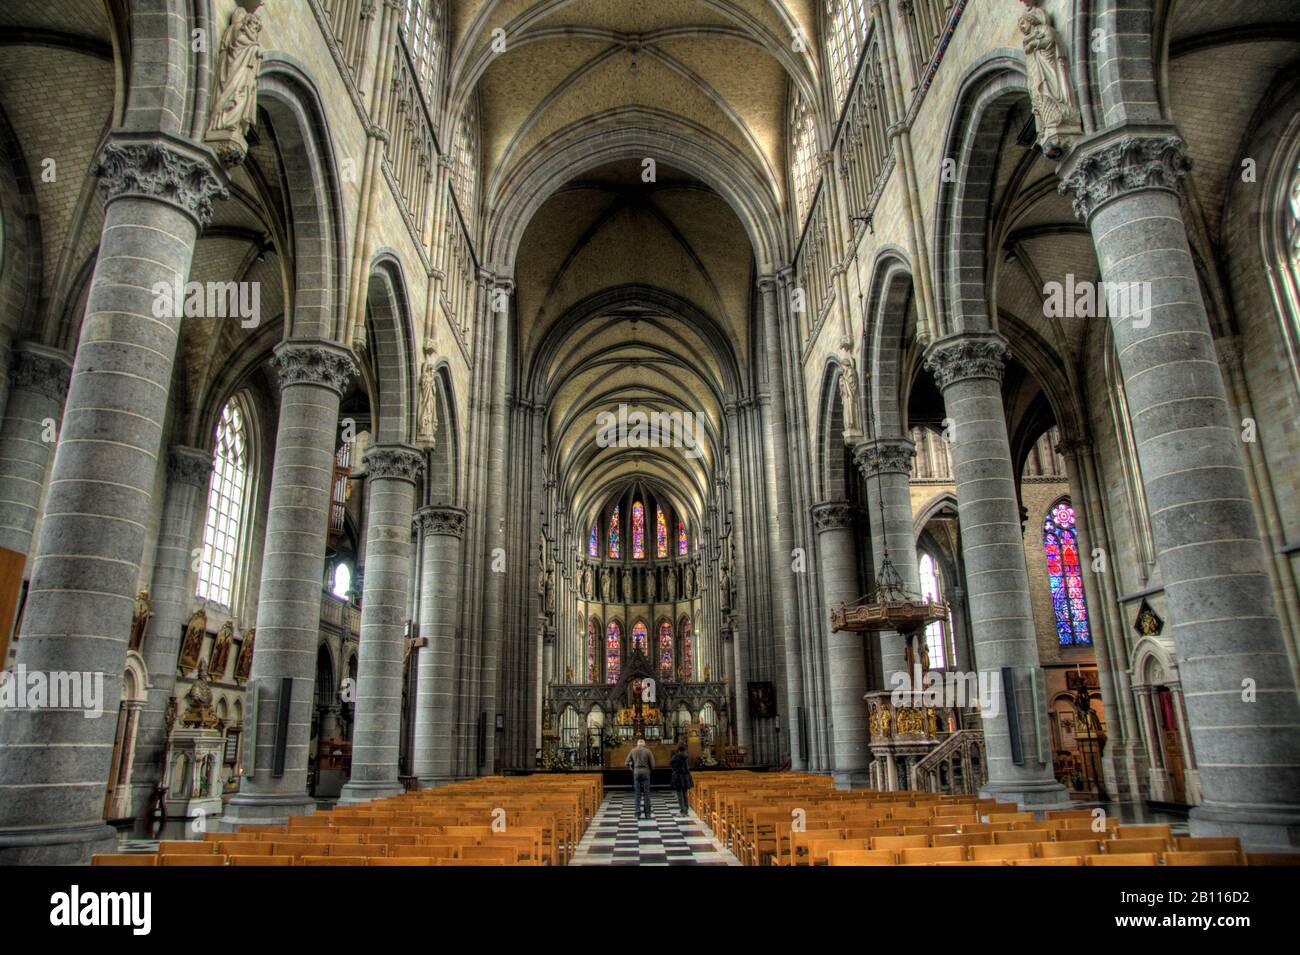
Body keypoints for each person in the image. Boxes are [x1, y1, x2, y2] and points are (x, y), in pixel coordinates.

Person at [626, 738, 655, 819]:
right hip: (646, 772)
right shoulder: (648, 751)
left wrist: (632, 768)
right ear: (644, 744)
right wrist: (650, 770)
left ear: (637, 744)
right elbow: (653, 764)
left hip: (636, 772)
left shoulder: (633, 750)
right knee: (647, 793)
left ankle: (637, 813)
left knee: (637, 794)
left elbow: (626, 762)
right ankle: (648, 814)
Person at [669, 743, 692, 815]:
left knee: (680, 795)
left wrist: (674, 770)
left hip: (679, 777)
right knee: (685, 793)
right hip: (686, 777)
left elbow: (672, 764)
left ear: (678, 750)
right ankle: (686, 810)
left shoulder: (676, 756)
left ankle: (682, 810)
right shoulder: (686, 756)